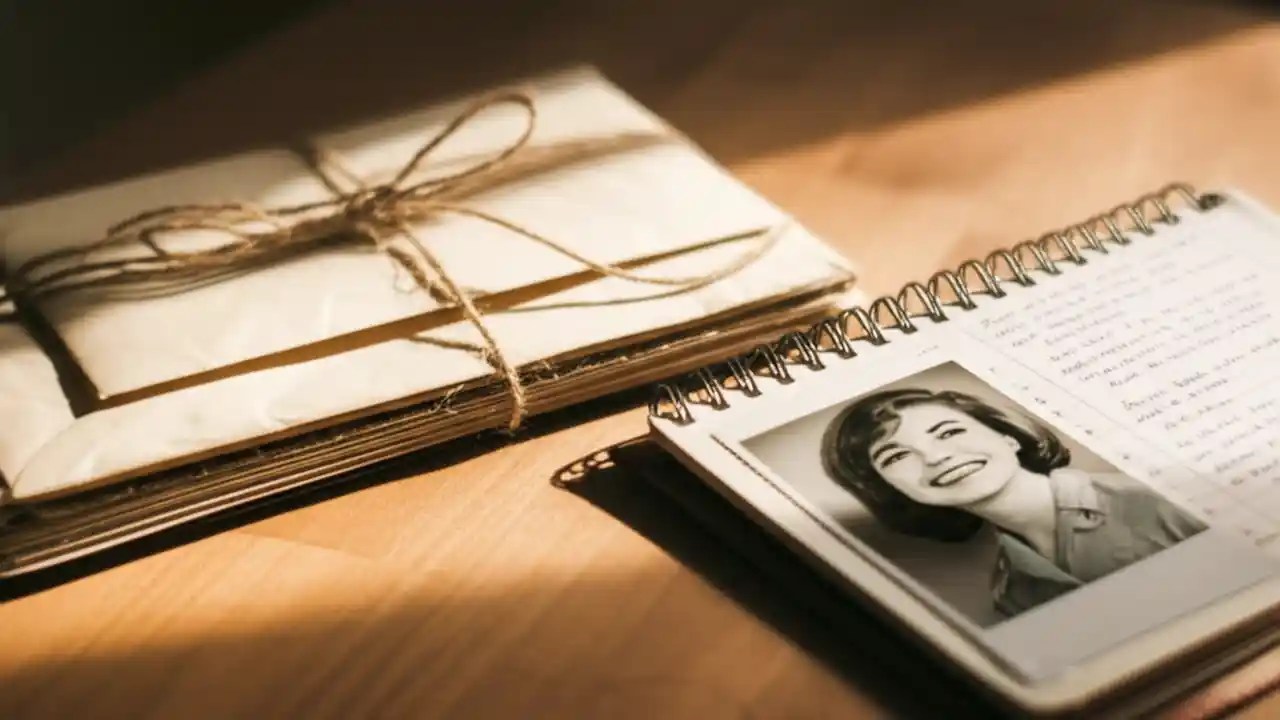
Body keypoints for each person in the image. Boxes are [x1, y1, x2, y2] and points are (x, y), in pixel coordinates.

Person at [821, 387, 1206, 617]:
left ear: (1009, 437)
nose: (935, 457)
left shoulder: (1153, 501)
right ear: (891, 488)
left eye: (949, 432)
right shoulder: (1010, 591)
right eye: (896, 457)